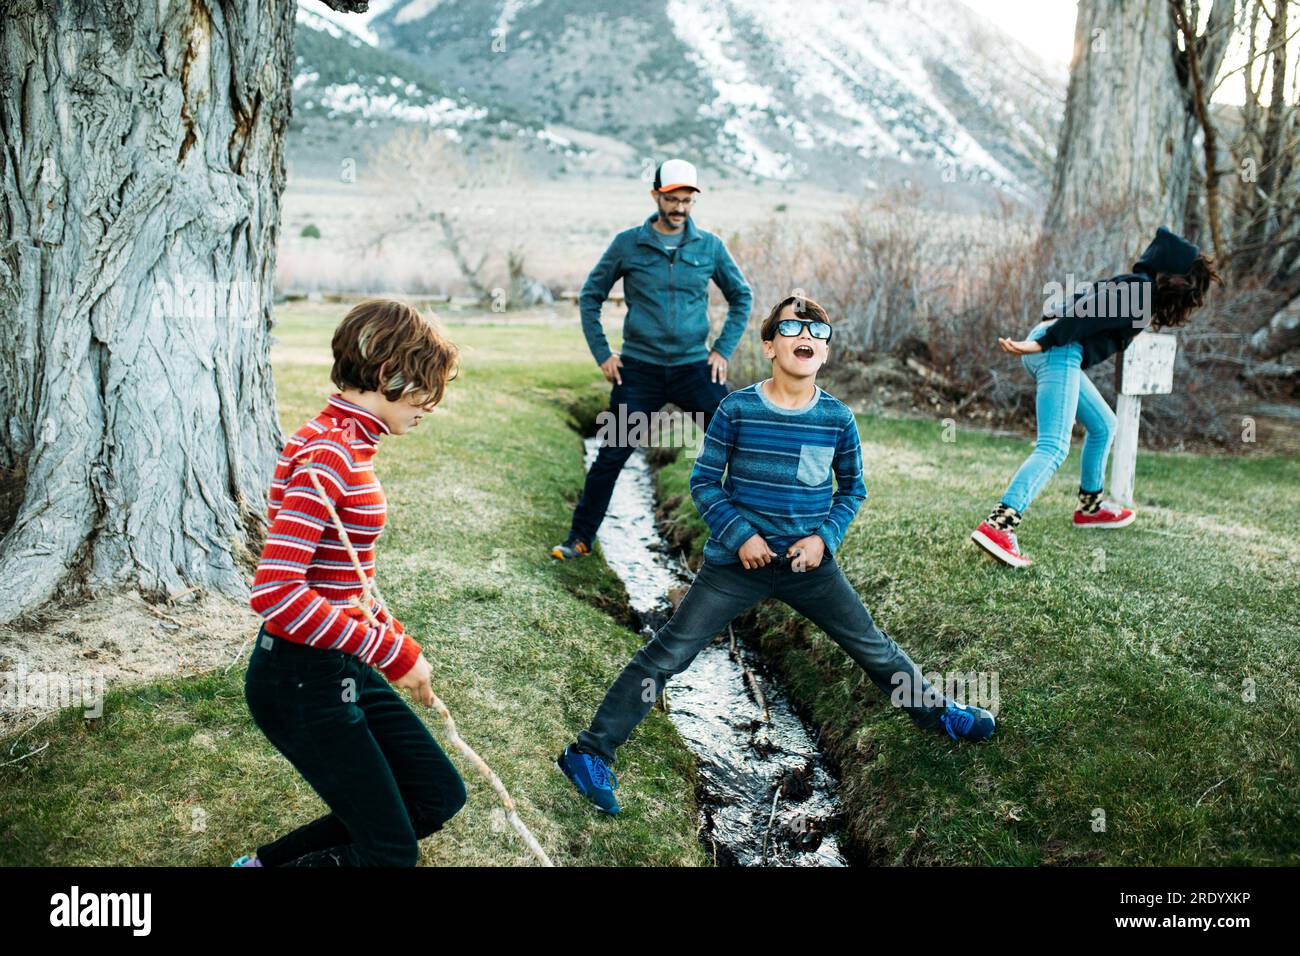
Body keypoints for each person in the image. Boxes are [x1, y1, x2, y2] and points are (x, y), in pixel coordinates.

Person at [557, 295, 996, 814]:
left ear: (825, 352)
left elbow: (852, 489)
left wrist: (824, 539)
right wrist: (740, 534)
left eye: (817, 331)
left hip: (810, 568)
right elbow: (703, 482)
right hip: (734, 566)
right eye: (790, 327)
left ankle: (939, 713)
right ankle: (589, 753)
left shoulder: (836, 419)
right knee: (669, 654)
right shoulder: (737, 409)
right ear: (769, 345)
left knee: (873, 647)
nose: (805, 335)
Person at [233, 300, 467, 866]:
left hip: (339, 663)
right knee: (390, 856)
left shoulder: (348, 441)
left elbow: (343, 577)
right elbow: (276, 591)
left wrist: (390, 640)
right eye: (423, 390)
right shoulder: (327, 453)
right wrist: (389, 651)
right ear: (390, 374)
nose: (429, 406)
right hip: (299, 679)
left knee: (437, 795)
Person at [971, 226, 1222, 568]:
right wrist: (1042, 343)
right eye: (1191, 285)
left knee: (1104, 424)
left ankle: (1090, 508)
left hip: (1058, 349)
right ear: (1175, 278)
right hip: (1058, 348)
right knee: (1054, 446)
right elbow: (1086, 312)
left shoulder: (1140, 292)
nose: (1192, 297)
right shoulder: (1139, 291)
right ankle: (998, 525)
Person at [550, 158, 753, 559]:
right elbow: (591, 296)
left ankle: (754, 537)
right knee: (611, 455)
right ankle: (579, 539)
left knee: (740, 444)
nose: (679, 208)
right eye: (672, 199)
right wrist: (603, 353)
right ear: (655, 195)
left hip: (696, 369)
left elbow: (741, 297)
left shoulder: (709, 246)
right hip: (639, 372)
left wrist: (722, 350)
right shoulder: (628, 244)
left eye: (686, 201)